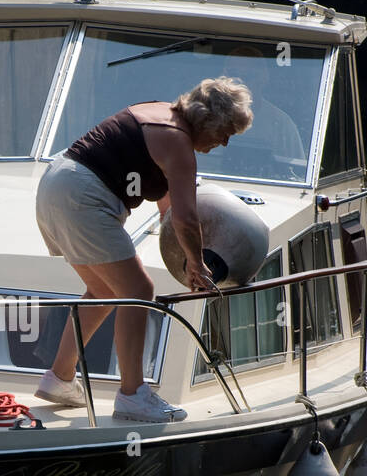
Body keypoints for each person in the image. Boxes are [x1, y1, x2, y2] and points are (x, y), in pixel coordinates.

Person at [34, 77, 254, 422]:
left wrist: (189, 252)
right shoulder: (178, 143)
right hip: (81, 196)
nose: (225, 142)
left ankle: (59, 378)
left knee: (104, 289)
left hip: (55, 185)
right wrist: (196, 264)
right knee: (138, 291)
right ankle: (133, 396)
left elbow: (168, 210)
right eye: (225, 131)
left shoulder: (160, 115)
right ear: (208, 121)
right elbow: (185, 217)